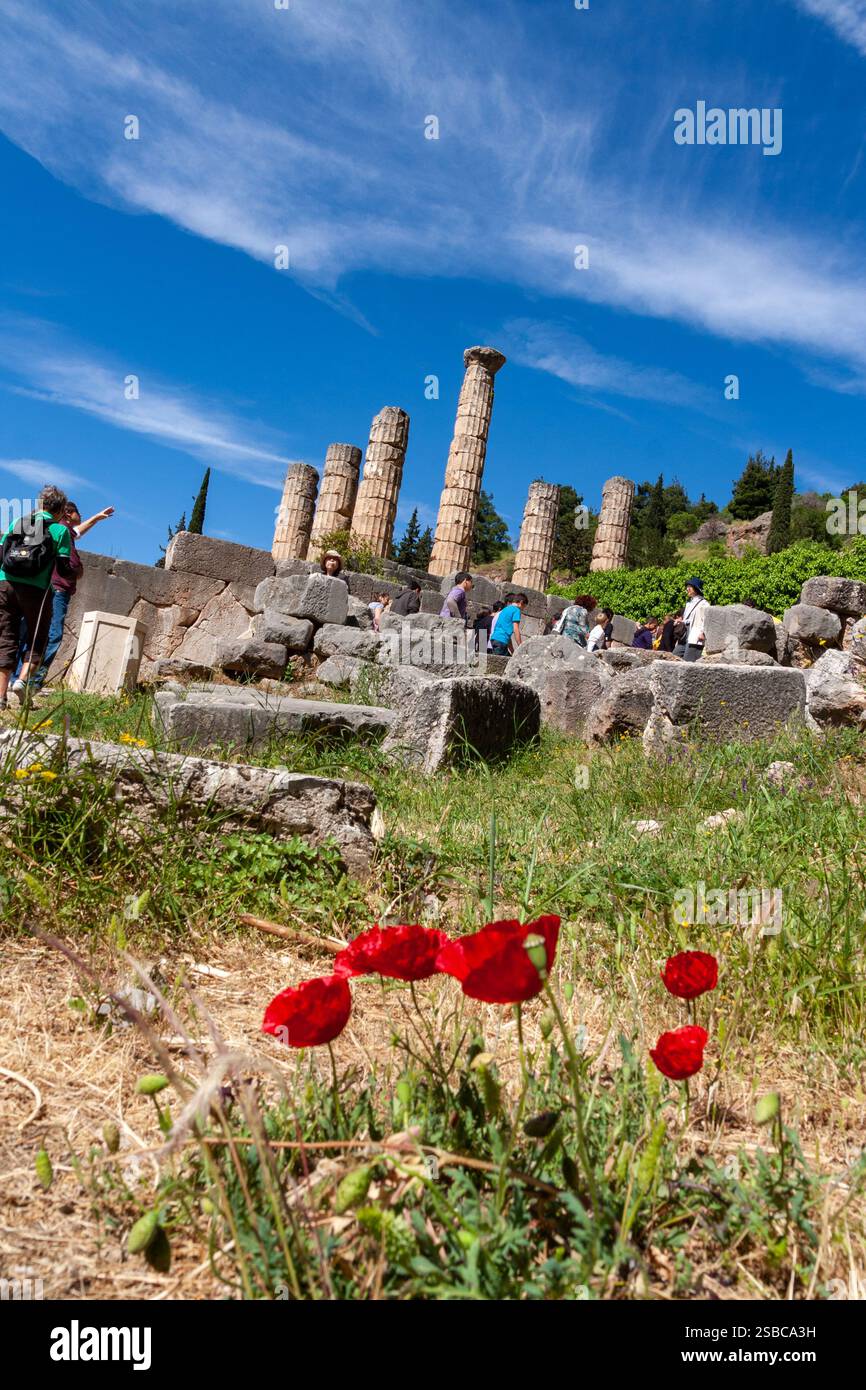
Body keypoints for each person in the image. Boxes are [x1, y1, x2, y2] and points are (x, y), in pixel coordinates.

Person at [12, 499, 114, 695]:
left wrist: (97, 518)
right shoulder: (61, 530)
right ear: (67, 514)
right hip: (56, 589)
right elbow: (66, 561)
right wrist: (75, 571)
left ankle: (20, 678)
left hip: (52, 589)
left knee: (31, 632)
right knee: (52, 635)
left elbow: (78, 532)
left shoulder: (64, 531)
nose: (81, 516)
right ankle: (31, 682)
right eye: (78, 513)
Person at [0, 486, 74, 711]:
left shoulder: (18, 522)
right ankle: (22, 680)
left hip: (6, 585)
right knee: (38, 638)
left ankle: (0, 698)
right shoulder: (60, 531)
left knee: (5, 638)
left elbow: (2, 555)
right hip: (37, 591)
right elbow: (63, 569)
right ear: (61, 510)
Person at [675, 579, 710, 661]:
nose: (687, 589)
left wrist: (702, 633)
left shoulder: (704, 604)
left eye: (690, 587)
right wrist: (682, 621)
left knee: (689, 660)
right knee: (674, 656)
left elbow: (706, 620)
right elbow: (689, 619)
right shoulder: (689, 603)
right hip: (685, 634)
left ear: (696, 588)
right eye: (687, 587)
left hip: (695, 635)